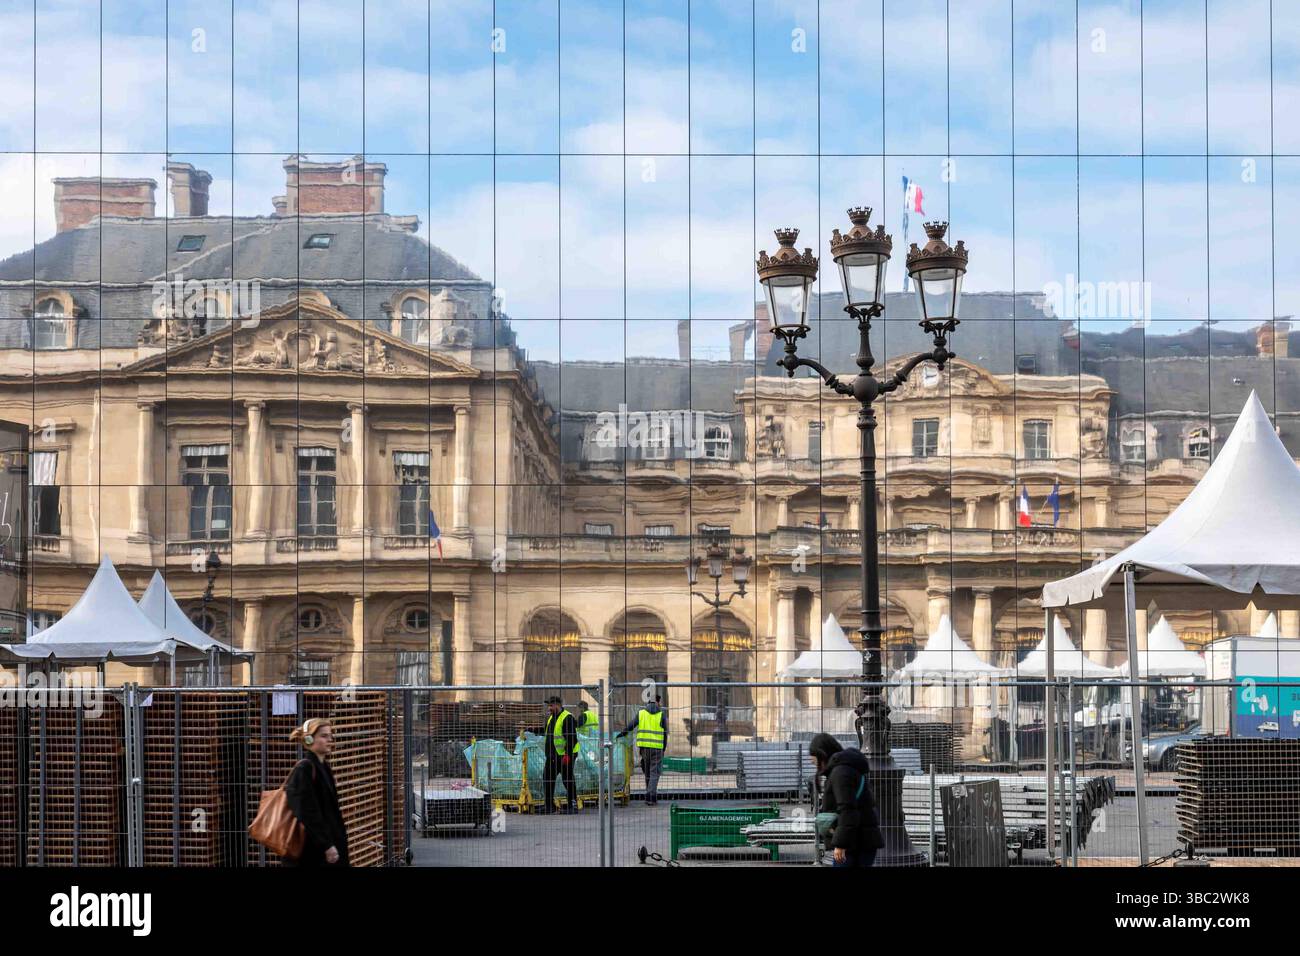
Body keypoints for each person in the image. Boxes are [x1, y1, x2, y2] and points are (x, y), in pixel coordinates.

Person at [809, 732, 884, 868]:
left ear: (822, 754)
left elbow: (847, 809)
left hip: (854, 844)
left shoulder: (840, 773)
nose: (811, 760)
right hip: (859, 840)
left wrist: (841, 844)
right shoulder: (846, 769)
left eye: (813, 757)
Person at [284, 717, 349, 867]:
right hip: (312, 851)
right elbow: (307, 812)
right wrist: (326, 845)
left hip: (327, 845)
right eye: (324, 736)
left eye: (330, 735)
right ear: (308, 739)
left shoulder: (324, 767)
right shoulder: (304, 769)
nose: (329, 739)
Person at [617, 695, 667, 806]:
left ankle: (649, 795)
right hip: (657, 748)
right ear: (657, 702)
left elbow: (631, 725)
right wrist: (664, 748)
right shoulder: (661, 715)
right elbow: (665, 733)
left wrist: (622, 733)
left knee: (648, 772)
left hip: (644, 748)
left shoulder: (641, 713)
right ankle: (651, 796)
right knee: (655, 772)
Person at [541, 696, 578, 814]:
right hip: (552, 756)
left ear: (558, 705)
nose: (549, 708)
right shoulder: (551, 718)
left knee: (567, 779)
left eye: (551, 705)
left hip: (565, 755)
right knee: (547, 778)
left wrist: (567, 754)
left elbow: (572, 738)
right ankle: (549, 806)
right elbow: (547, 733)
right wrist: (531, 730)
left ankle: (572, 804)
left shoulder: (567, 717)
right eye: (548, 706)